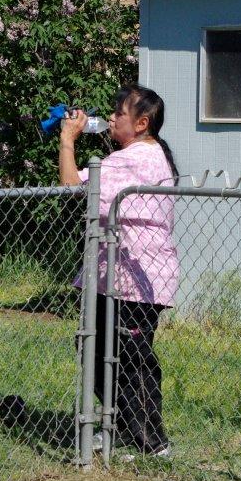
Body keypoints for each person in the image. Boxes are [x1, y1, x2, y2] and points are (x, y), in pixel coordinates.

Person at [59, 83, 179, 456]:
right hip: (117, 277)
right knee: (98, 349)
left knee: (130, 357)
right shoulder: (136, 155)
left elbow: (70, 186)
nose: (111, 118)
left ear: (142, 123)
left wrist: (67, 140)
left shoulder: (136, 158)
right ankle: (122, 425)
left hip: (133, 279)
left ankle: (153, 443)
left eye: (120, 114)